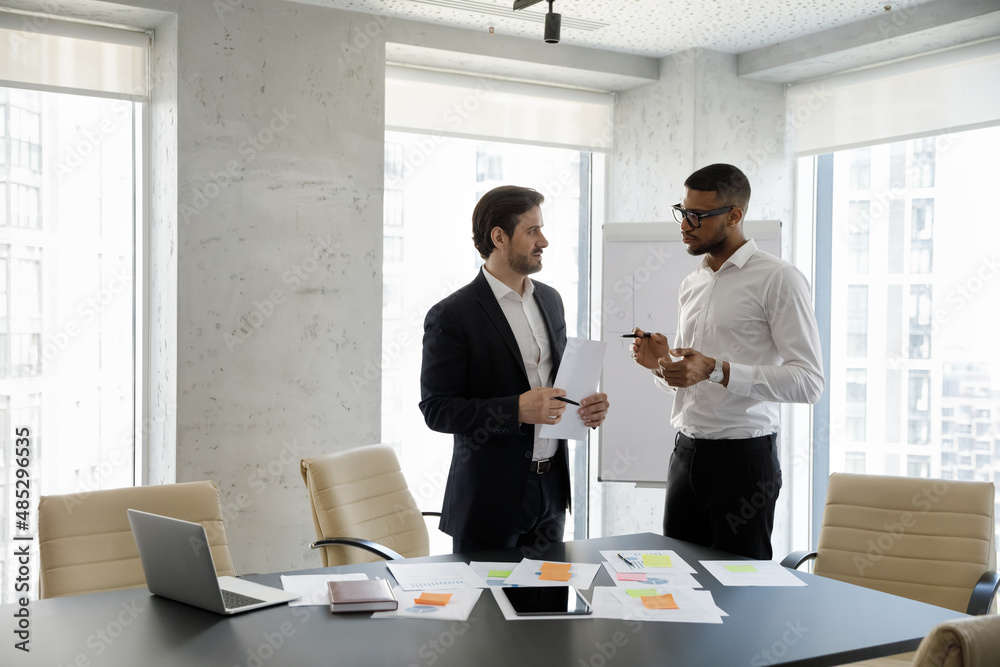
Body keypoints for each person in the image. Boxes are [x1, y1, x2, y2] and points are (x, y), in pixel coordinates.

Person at [629, 163, 824, 560]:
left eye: (697, 216)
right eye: (683, 212)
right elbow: (690, 374)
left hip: (744, 464)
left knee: (741, 597)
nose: (685, 224)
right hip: (685, 455)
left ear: (734, 216)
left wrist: (717, 370)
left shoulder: (778, 279)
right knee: (678, 587)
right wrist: (662, 364)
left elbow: (808, 383)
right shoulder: (692, 283)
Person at [420, 185, 610, 553]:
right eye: (532, 231)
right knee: (488, 612)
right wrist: (516, 410)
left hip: (551, 494)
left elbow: (554, 384)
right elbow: (437, 409)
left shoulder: (551, 300)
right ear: (499, 237)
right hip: (489, 502)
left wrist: (586, 406)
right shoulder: (452, 315)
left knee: (548, 610)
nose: (544, 241)